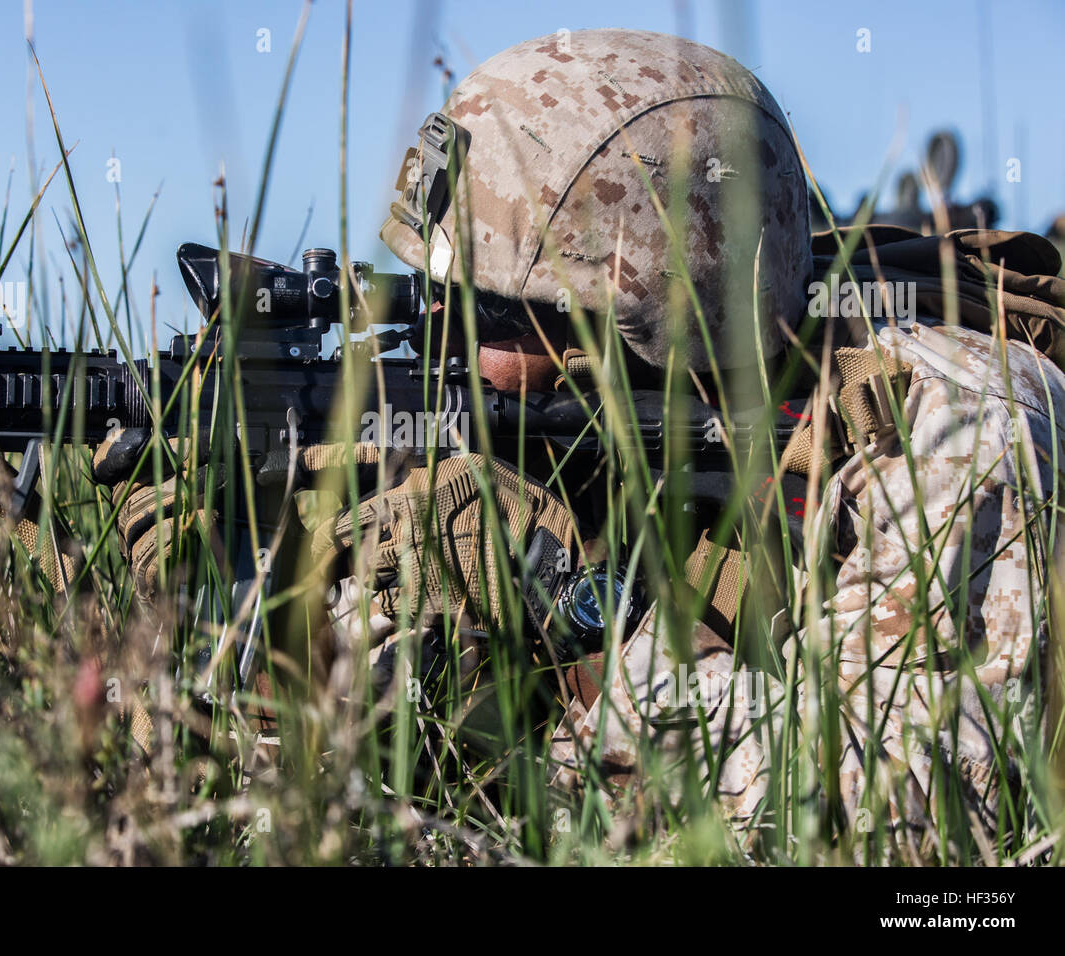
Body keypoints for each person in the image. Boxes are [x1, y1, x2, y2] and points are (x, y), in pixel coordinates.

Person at [92, 29, 1065, 854]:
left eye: (496, 310)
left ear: (661, 308)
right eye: (437, 299)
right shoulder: (524, 417)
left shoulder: (952, 412)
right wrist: (241, 606)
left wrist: (547, 613)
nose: (461, 352)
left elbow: (917, 804)